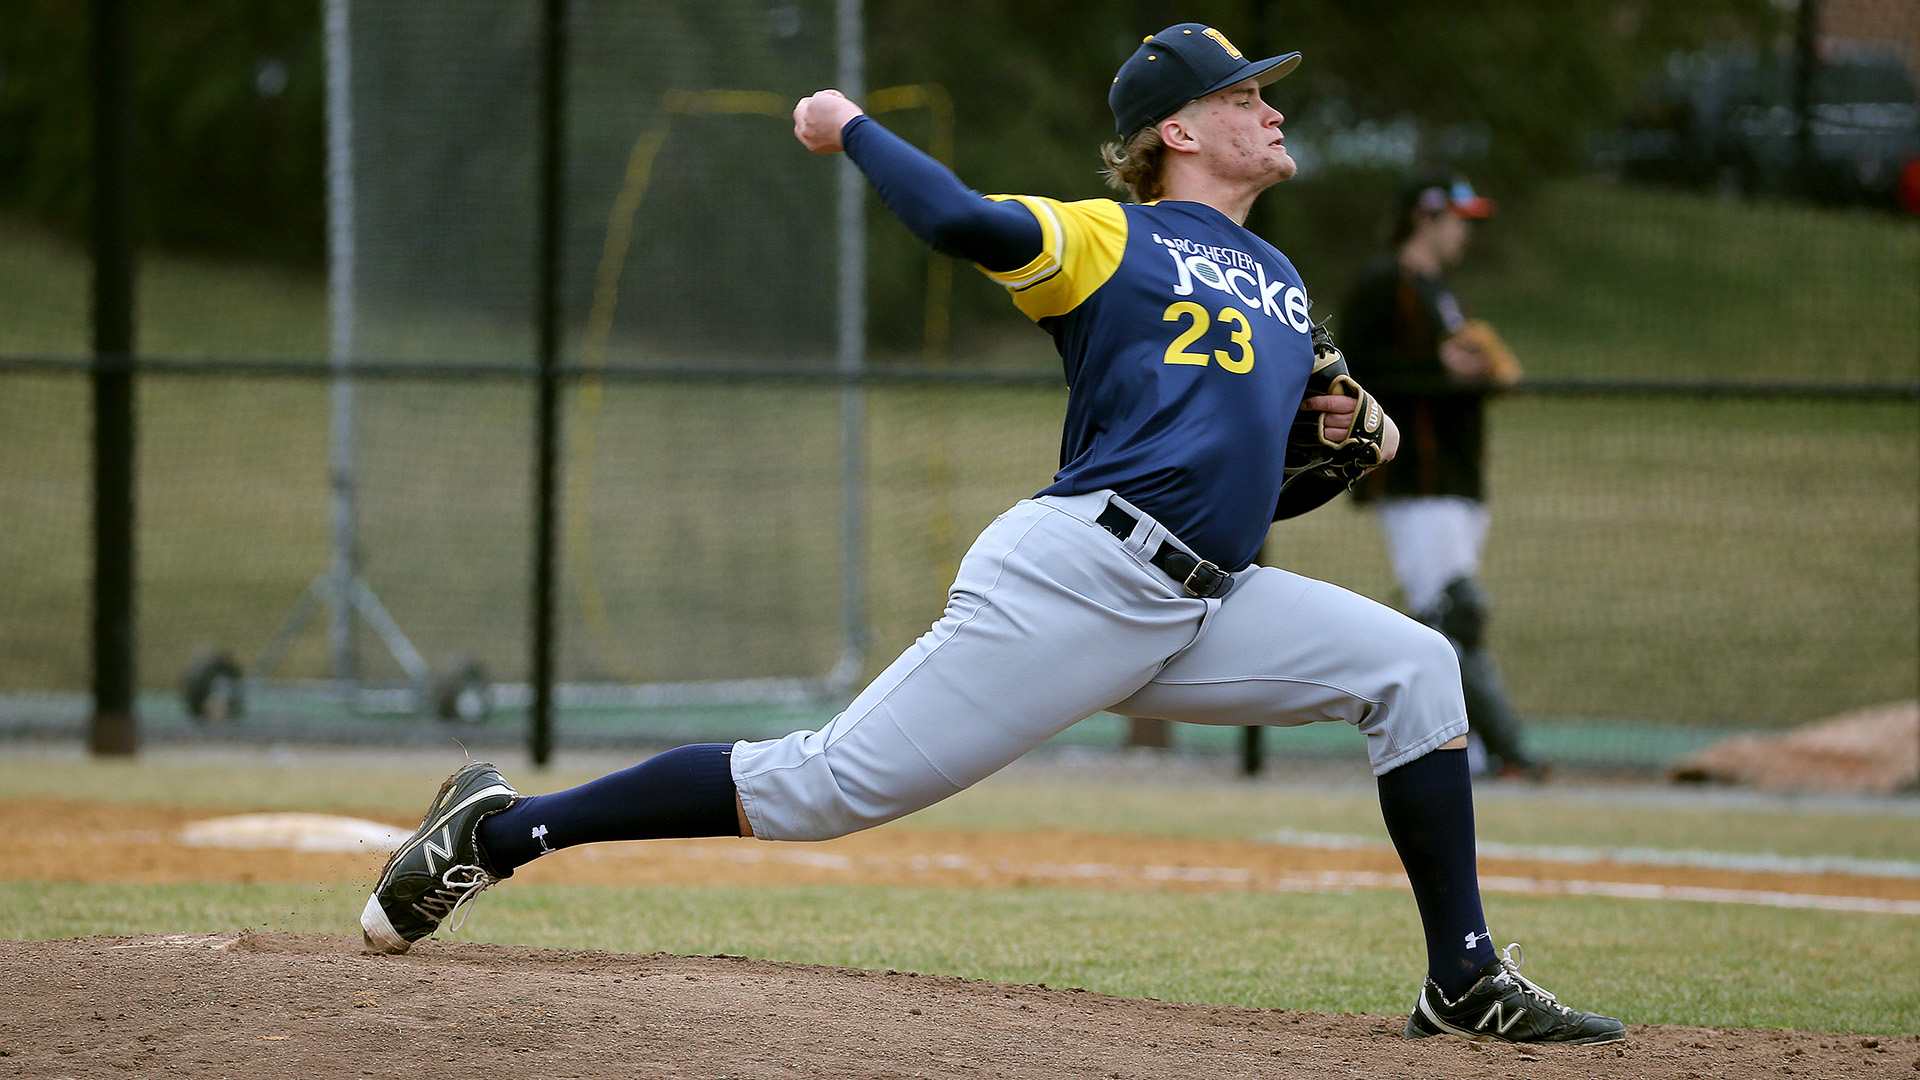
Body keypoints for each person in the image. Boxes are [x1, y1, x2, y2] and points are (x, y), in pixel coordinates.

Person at [361, 24, 1621, 1045]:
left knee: (1414, 667)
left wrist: (1335, 454)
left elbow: (1251, 494)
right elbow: (964, 221)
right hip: (1078, 579)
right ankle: (496, 832)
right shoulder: (1110, 236)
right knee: (816, 788)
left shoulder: (1285, 286)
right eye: (1244, 95)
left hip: (1200, 595)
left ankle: (1462, 978)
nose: (1272, 110)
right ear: (1180, 132)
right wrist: (850, 124)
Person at [1343, 170, 1546, 780]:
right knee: (1449, 614)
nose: (1466, 233)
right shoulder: (1386, 282)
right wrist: (1436, 363)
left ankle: (1465, 745)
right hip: (1416, 478)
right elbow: (1349, 367)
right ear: (1424, 217)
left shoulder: (1441, 292)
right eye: (1458, 220)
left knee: (1446, 615)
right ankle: (1484, 748)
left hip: (1456, 477)